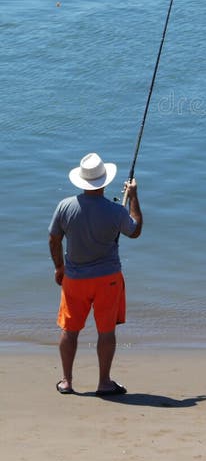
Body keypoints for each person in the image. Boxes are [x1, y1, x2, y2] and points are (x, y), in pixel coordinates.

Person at [48, 152, 143, 396]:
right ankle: (104, 383)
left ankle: (67, 381)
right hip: (108, 280)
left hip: (75, 279)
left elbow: (54, 238)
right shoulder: (115, 211)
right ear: (104, 181)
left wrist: (59, 267)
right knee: (106, 332)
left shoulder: (65, 206)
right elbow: (135, 230)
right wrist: (133, 197)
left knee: (70, 330)